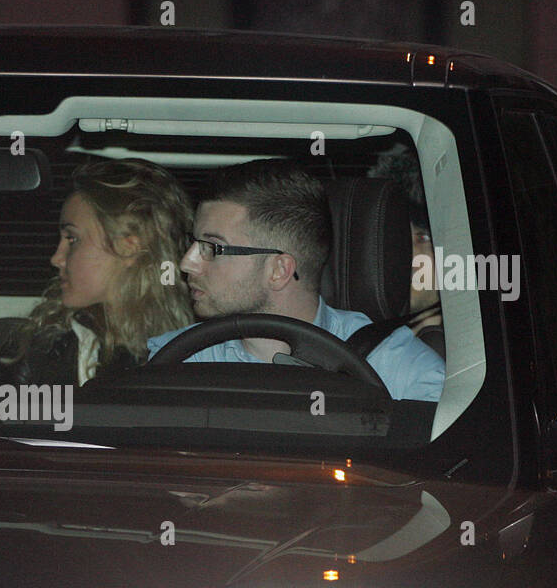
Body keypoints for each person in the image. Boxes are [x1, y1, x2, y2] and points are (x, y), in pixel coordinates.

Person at [146, 159, 445, 402]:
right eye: (193, 243)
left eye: (212, 247)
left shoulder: (391, 366)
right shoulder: (182, 357)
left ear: (279, 270)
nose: (187, 262)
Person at [0, 157, 195, 386]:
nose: (56, 258)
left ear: (128, 247)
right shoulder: (36, 349)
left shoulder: (192, 347)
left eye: (72, 239)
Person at [368, 143, 443, 356]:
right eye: (391, 239)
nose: (404, 253)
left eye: (422, 238)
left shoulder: (465, 356)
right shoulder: (344, 334)